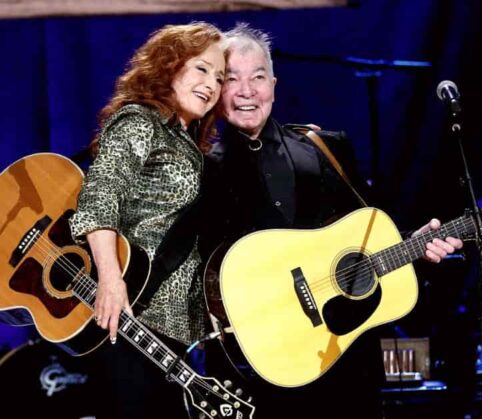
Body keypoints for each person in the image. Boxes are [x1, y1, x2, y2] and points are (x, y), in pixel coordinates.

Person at [199, 23, 464, 418]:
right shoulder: (202, 171)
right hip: (259, 366)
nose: (246, 91)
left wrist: (417, 244)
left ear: (274, 85)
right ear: (217, 89)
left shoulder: (325, 147)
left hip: (343, 356)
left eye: (258, 77)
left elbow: (369, 236)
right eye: (232, 79)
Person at [68, 22, 225, 419]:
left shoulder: (191, 147)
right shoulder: (140, 121)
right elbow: (100, 194)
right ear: (169, 65)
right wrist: (109, 278)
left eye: (220, 78)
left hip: (177, 336)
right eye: (202, 68)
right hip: (131, 317)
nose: (212, 84)